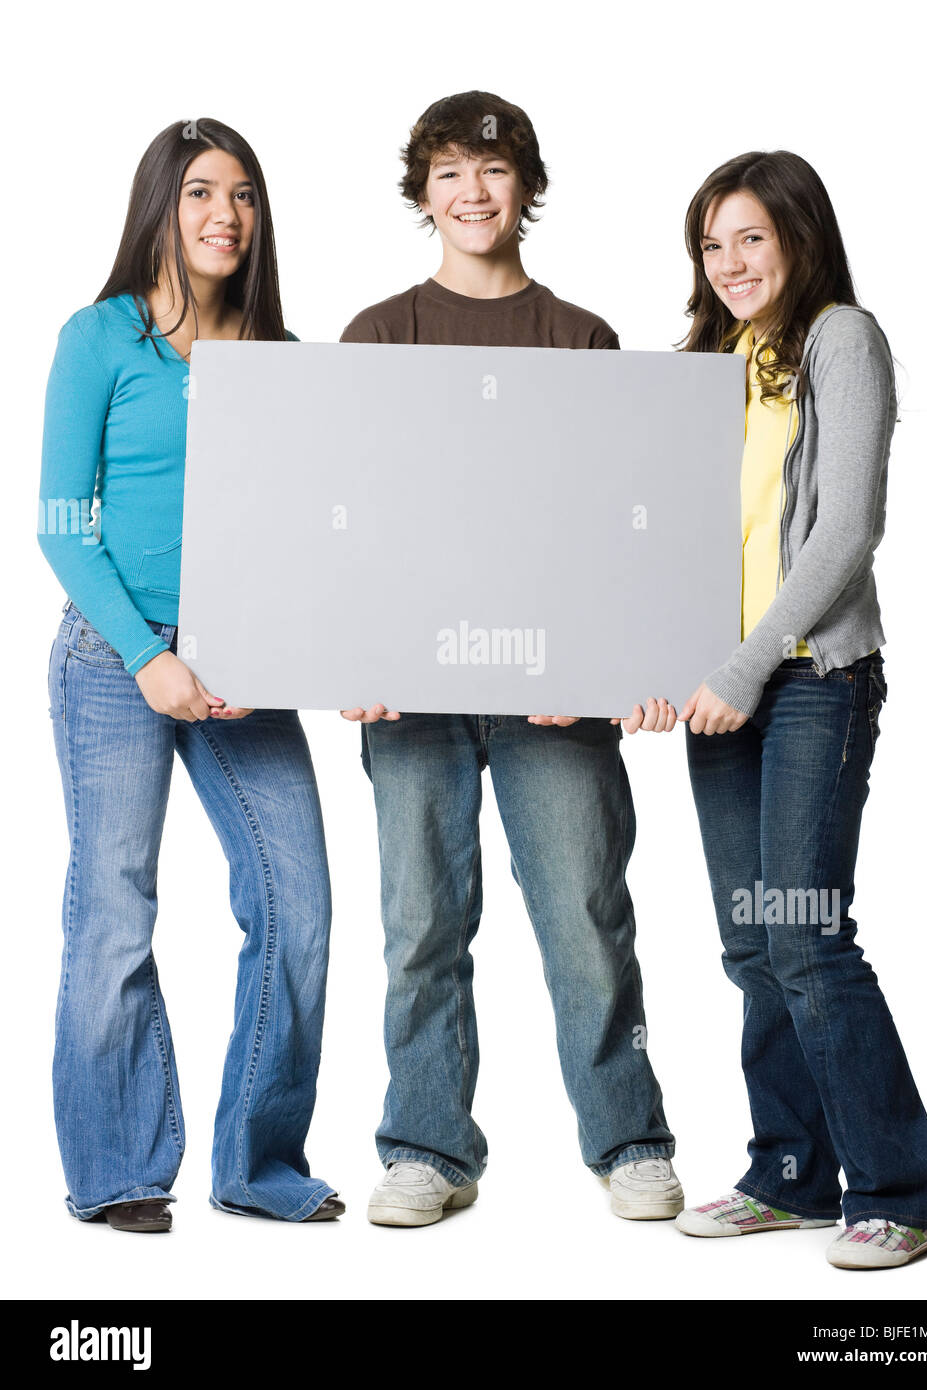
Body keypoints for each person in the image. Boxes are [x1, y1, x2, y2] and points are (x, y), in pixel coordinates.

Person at [340, 90, 682, 1226]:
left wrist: (609, 659)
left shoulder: (578, 337)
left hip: (553, 696)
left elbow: (615, 521)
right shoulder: (378, 336)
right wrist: (351, 649)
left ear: (526, 186)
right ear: (421, 192)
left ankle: (628, 1135)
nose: (471, 192)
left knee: (586, 914)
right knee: (420, 922)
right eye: (447, 173)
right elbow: (350, 515)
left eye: (490, 171)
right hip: (414, 693)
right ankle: (427, 1146)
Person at [641, 149, 927, 1269]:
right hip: (720, 694)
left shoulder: (841, 340)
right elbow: (665, 539)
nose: (728, 263)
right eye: (711, 245)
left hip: (811, 678)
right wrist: (663, 662)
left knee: (807, 935)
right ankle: (788, 1173)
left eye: (750, 239)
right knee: (751, 944)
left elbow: (845, 529)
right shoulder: (711, 366)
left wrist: (746, 664)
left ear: (797, 239)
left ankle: (900, 1192)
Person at [38, 118, 343, 1230]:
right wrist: (150, 655)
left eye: (245, 195)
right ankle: (118, 1168)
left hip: (248, 662)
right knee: (114, 910)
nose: (226, 215)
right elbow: (65, 525)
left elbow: (318, 533)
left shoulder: (282, 361)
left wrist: (301, 650)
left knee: (297, 906)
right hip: (116, 659)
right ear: (161, 204)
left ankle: (257, 1165)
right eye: (203, 191)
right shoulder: (99, 338)